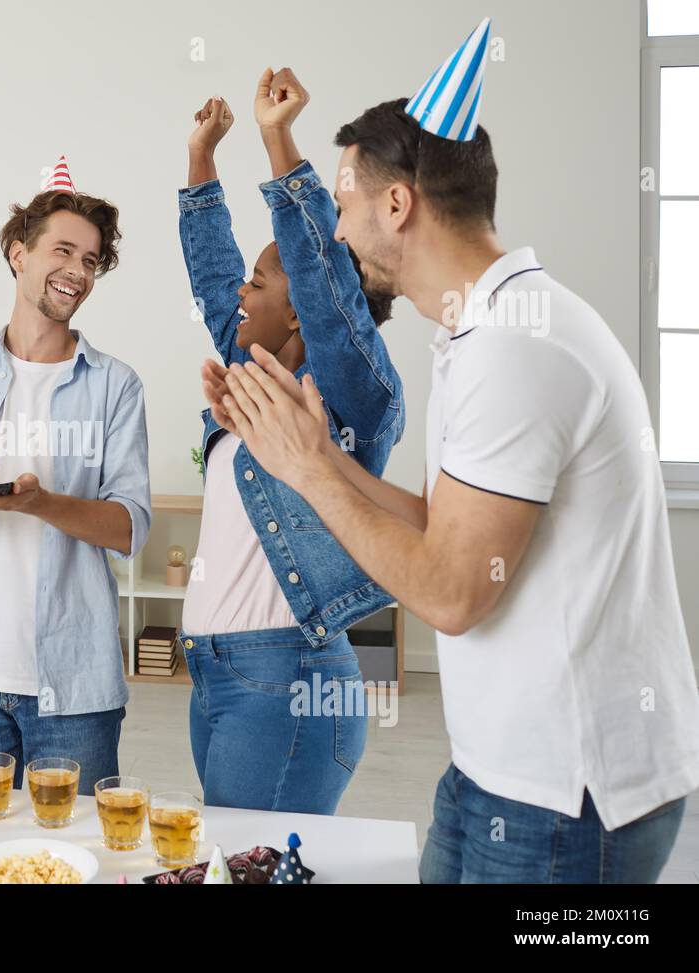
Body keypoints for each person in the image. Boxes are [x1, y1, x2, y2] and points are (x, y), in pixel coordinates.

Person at [208, 22, 699, 882]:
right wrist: (319, 450)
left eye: (343, 201)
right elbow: (447, 529)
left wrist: (309, 468)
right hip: (497, 769)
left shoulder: (515, 344)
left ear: (397, 204)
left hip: (567, 796)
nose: (335, 230)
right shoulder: (483, 333)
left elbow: (453, 591)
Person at [176, 69, 403, 813]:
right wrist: (201, 158)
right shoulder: (253, 381)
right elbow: (213, 279)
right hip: (214, 672)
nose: (242, 290)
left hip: (288, 676)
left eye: (261, 279)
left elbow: (322, 277)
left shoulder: (350, 402)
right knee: (234, 856)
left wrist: (279, 140)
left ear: (302, 310)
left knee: (246, 859)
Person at [0, 160, 151, 794]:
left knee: (77, 853)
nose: (77, 270)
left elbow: (128, 528)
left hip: (74, 689)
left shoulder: (115, 385)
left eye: (91, 261)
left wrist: (40, 503)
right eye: (62, 250)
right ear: (18, 254)